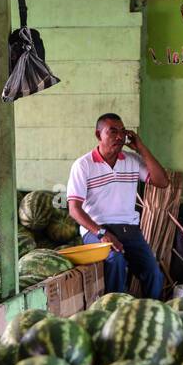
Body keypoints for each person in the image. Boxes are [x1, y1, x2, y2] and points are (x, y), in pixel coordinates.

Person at [66, 114, 169, 298]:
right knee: (116, 262)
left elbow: (162, 182)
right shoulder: (83, 165)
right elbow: (74, 209)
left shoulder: (131, 160)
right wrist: (101, 233)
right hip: (96, 230)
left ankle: (152, 315)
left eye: (122, 132)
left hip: (129, 229)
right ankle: (115, 313)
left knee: (153, 273)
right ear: (98, 135)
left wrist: (141, 149)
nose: (119, 136)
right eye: (112, 131)